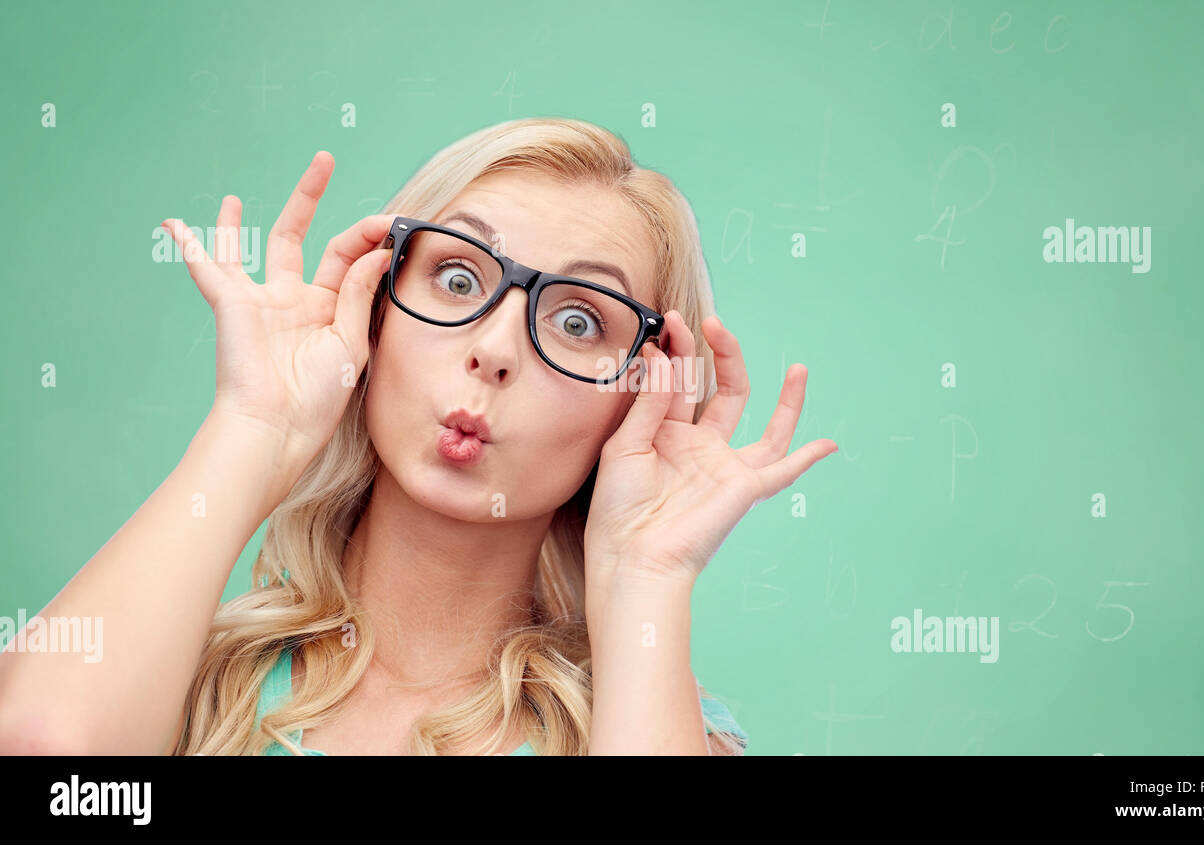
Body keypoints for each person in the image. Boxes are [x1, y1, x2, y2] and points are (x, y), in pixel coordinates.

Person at [0, 117, 837, 755]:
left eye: (578, 319)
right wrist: (255, 423)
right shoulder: (180, 673)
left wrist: (646, 571)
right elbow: (44, 751)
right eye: (460, 275)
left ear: (639, 400)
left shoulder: (648, 722)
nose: (495, 348)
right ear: (373, 309)